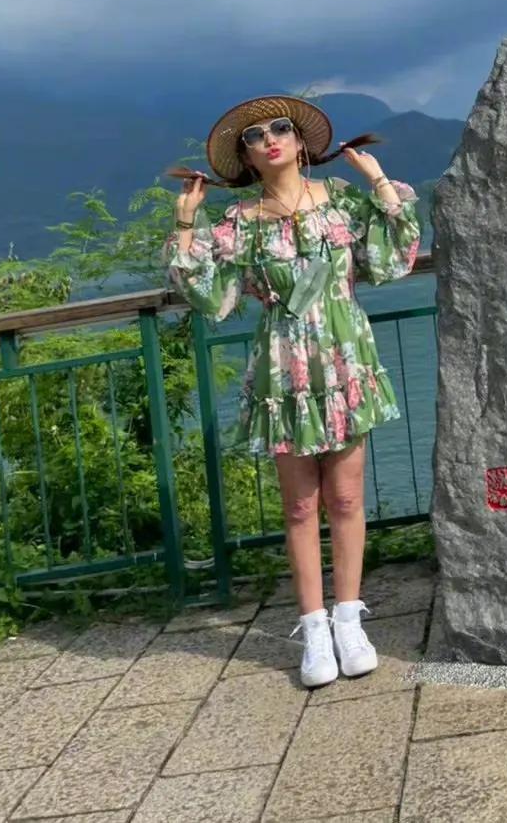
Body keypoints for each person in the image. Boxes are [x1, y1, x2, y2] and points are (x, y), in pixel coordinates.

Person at [163, 94, 420, 687]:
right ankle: (313, 628)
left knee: (348, 498)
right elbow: (210, 299)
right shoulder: (237, 226)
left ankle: (350, 619)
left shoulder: (344, 206)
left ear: (301, 142)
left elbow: (391, 259)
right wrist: (185, 222)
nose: (269, 138)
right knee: (302, 505)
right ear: (246, 157)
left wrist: (377, 178)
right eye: (254, 135)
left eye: (280, 128)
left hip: (344, 359)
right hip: (284, 369)